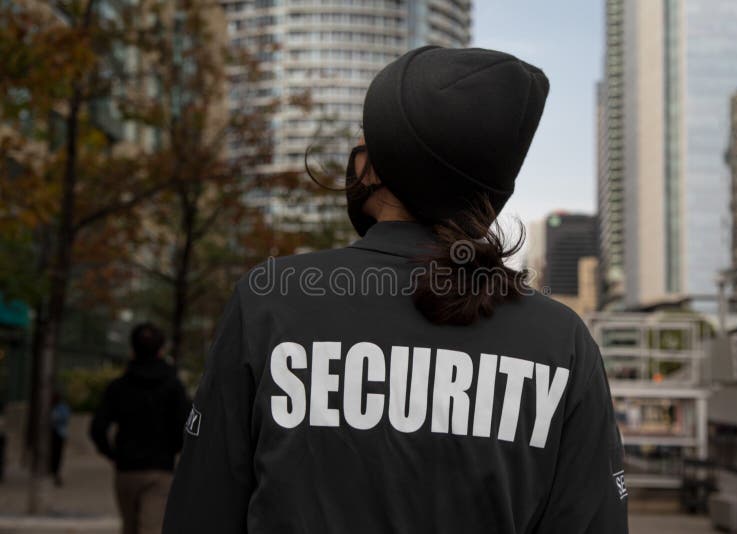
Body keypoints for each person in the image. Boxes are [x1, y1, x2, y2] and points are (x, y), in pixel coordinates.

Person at [163, 46, 628, 533]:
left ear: (375, 168)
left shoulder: (269, 302)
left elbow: (201, 511)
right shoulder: (562, 344)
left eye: (364, 139)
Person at [90, 322, 190, 534]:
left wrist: (113, 454)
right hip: (160, 470)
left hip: (126, 470)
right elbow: (187, 425)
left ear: (132, 350)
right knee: (152, 528)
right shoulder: (173, 387)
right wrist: (173, 450)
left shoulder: (118, 387)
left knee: (130, 527)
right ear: (162, 350)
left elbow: (98, 428)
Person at [50, 391, 70, 487]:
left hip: (59, 434)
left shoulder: (62, 407)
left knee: (57, 455)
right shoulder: (49, 407)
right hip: (51, 434)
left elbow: (64, 418)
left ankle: (56, 474)